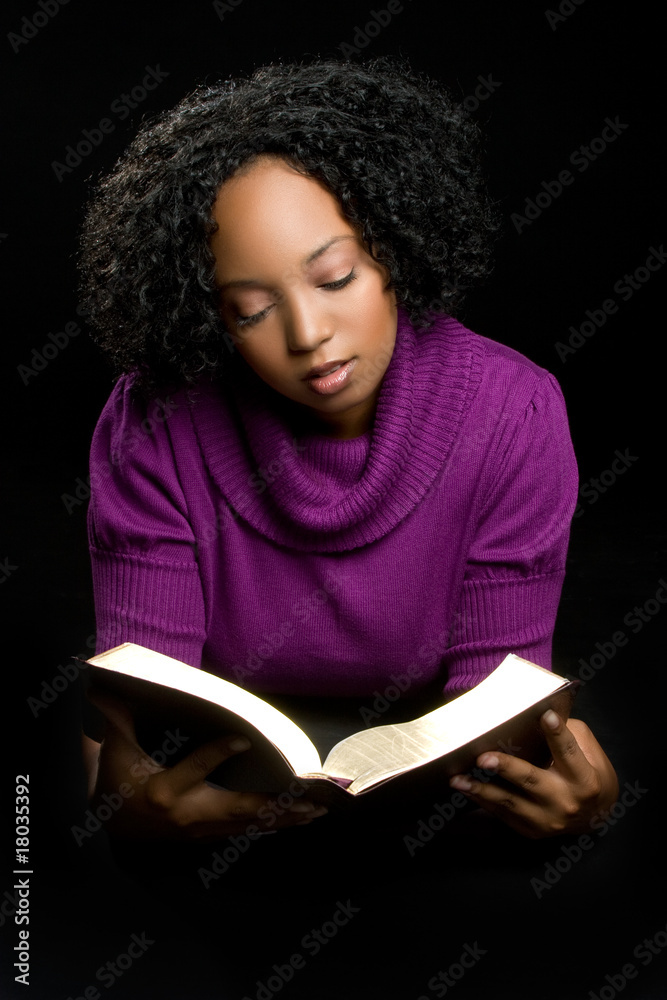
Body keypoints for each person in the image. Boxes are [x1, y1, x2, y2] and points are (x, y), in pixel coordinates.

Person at [78, 55, 618, 845]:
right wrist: (118, 792)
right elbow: (137, 700)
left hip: (436, 839)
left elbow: (497, 705)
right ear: (209, 318)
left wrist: (572, 799)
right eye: (251, 310)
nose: (307, 335)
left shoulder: (514, 412)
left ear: (392, 251)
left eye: (334, 279)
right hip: (225, 804)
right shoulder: (155, 420)